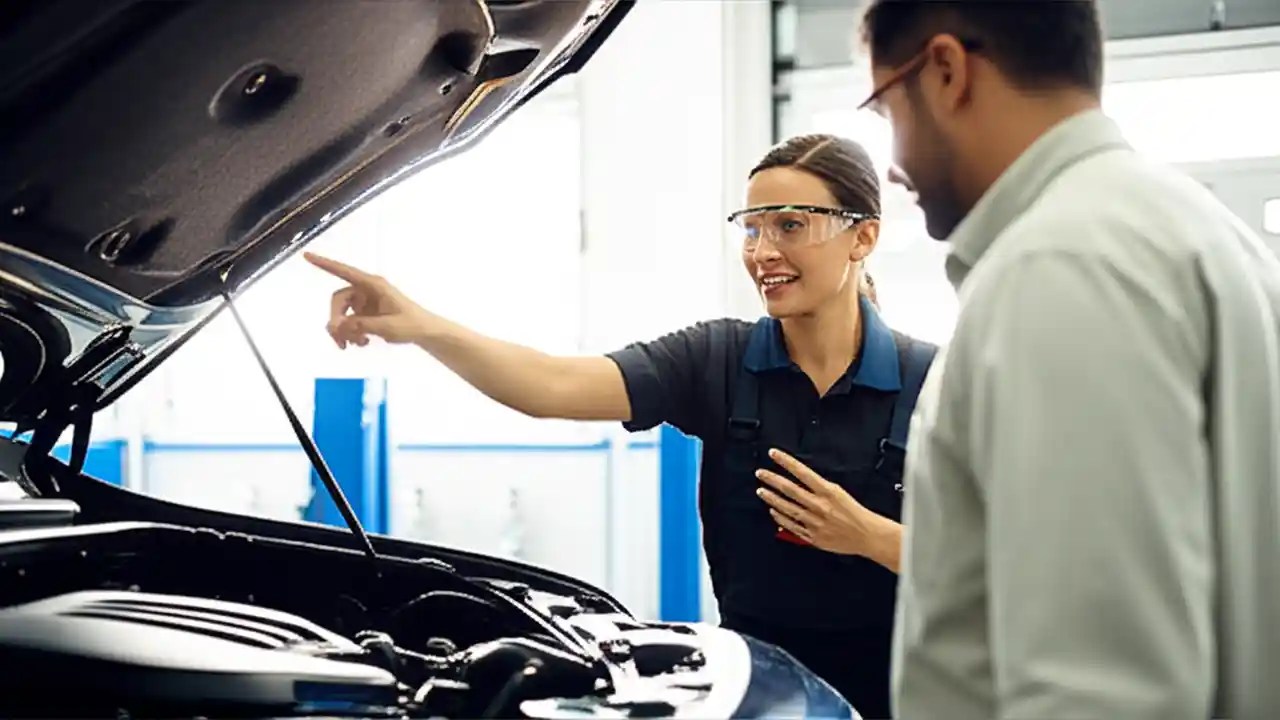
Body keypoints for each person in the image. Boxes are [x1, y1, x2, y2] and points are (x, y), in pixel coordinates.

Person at [304, 134, 937, 717]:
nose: (764, 251)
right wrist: (424, 326)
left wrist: (868, 535)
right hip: (754, 695)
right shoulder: (714, 361)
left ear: (864, 237)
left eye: (792, 225)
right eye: (752, 228)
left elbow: (1003, 563)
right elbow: (550, 386)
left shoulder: (935, 381)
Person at [856, 1, 1280, 718]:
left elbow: (1097, 695)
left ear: (947, 71)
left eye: (885, 108)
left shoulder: (1062, 266)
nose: (892, 168)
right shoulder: (1200, 235)